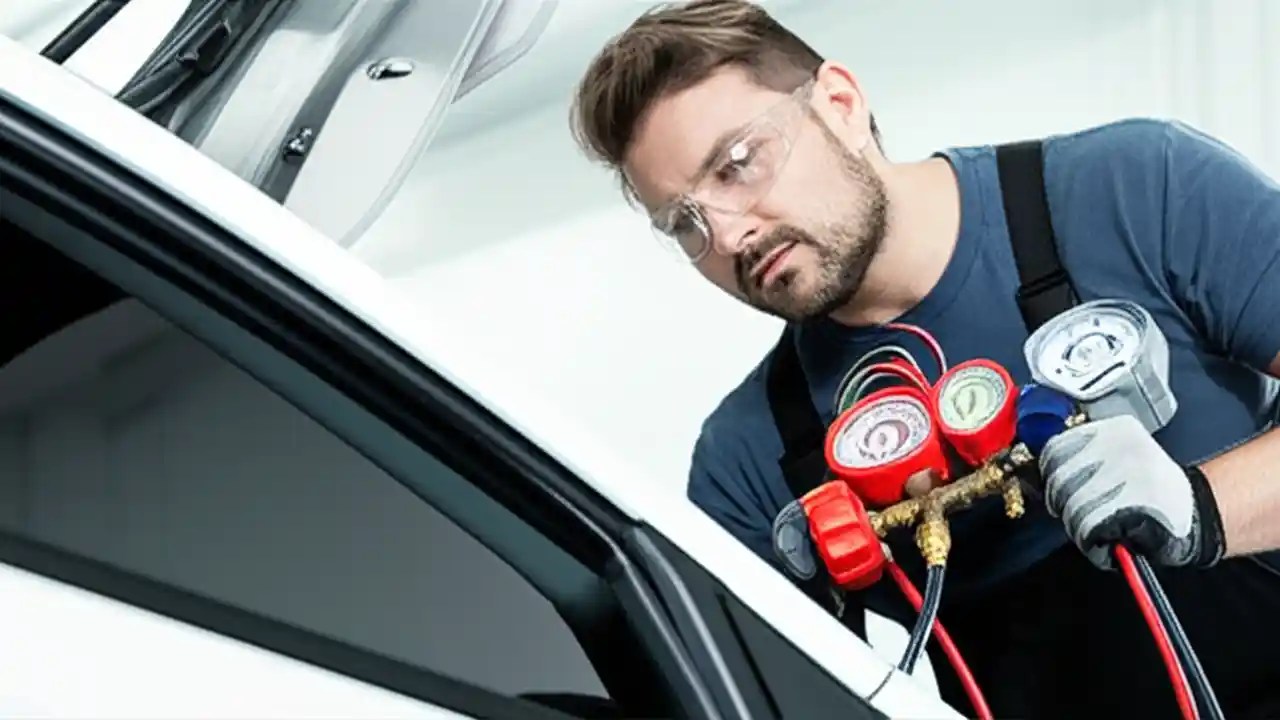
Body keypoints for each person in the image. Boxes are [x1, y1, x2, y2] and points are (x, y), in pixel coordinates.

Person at [568, 1, 1280, 718]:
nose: (728, 235)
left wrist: (1202, 510)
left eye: (737, 165)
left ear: (840, 105)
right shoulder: (752, 464)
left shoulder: (1132, 189)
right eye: (683, 223)